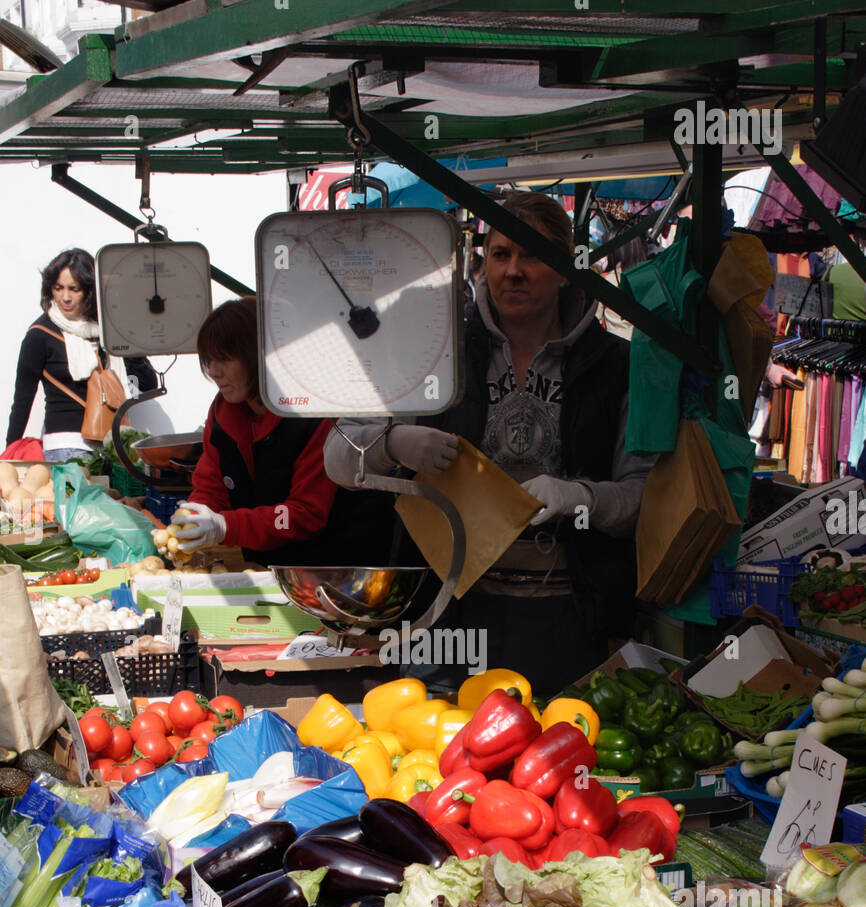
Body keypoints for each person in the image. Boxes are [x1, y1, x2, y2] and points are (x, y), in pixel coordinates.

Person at [324, 191, 653, 697]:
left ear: (566, 270)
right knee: (440, 758)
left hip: (570, 617)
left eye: (532, 255)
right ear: (484, 264)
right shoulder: (438, 351)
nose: (513, 271)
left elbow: (643, 497)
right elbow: (338, 458)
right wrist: (395, 443)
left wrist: (583, 498)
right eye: (501, 254)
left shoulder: (616, 367)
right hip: (449, 615)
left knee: (556, 750)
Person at [175, 296, 394, 565]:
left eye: (224, 358)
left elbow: (305, 514)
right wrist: (194, 516)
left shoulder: (314, 414)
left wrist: (227, 526)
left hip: (334, 566)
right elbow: (211, 485)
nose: (213, 370)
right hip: (264, 568)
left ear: (258, 356)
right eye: (208, 359)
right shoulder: (223, 413)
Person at [6, 248, 157, 461]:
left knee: (116, 496)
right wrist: (8, 456)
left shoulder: (108, 329)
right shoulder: (40, 335)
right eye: (58, 288)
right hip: (66, 450)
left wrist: (126, 342)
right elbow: (22, 400)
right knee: (71, 494)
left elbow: (148, 385)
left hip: (112, 448)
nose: (65, 297)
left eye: (73, 289)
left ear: (89, 290)